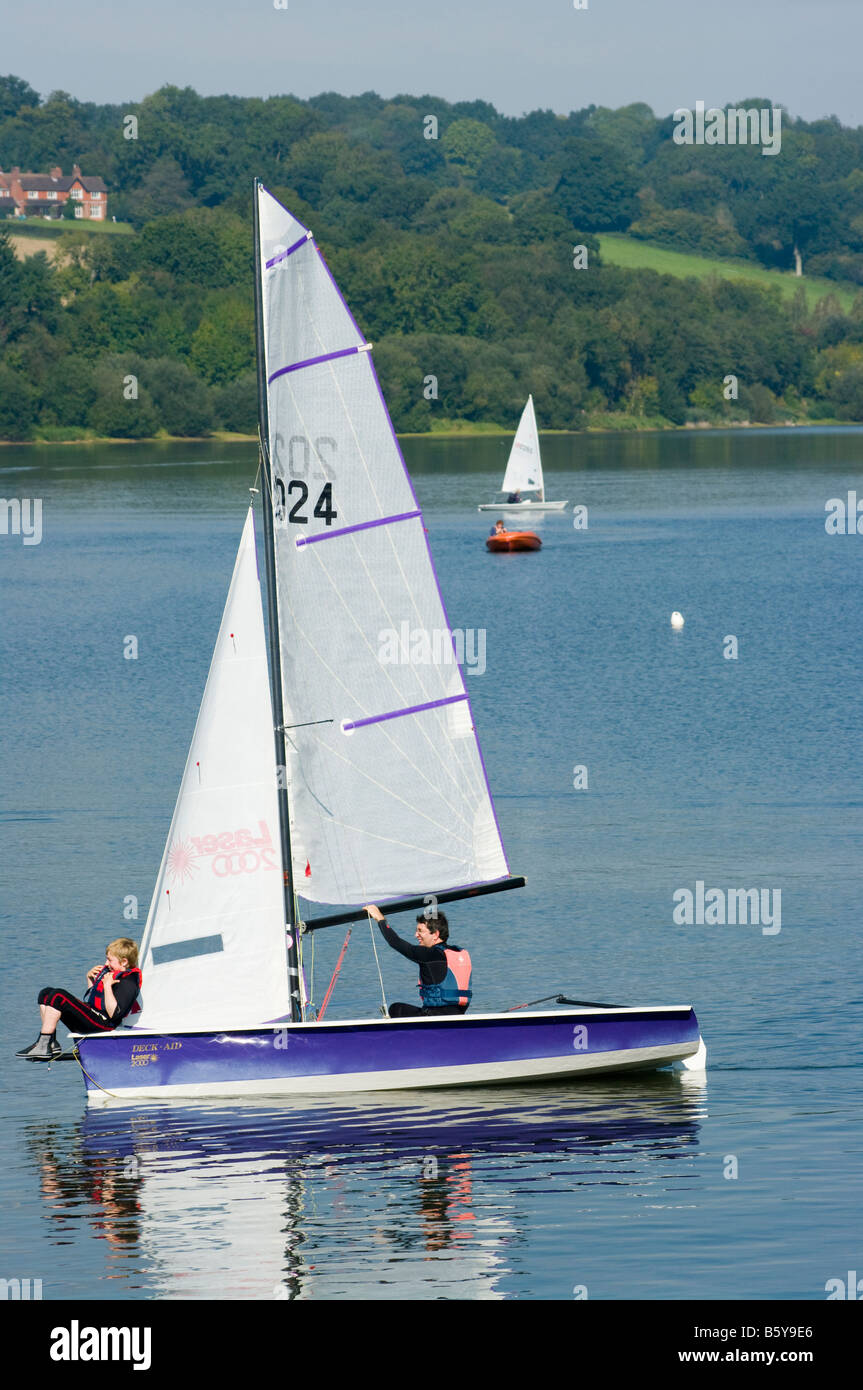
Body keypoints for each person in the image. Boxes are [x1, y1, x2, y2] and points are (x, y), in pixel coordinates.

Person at [16, 938, 142, 1060]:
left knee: (58, 996)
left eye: (110, 960)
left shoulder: (128, 983)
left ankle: (43, 1043)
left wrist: (107, 986)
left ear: (124, 962)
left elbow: (114, 1014)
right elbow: (94, 1001)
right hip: (94, 1016)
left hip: (104, 1024)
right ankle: (51, 1043)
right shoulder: (111, 974)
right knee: (46, 993)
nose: (106, 964)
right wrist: (90, 979)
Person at [364, 905, 472, 1017]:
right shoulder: (458, 953)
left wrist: (380, 919)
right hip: (459, 1014)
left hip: (434, 1016)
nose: (416, 935)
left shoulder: (430, 954)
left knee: (396, 1008)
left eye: (420, 931)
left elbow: (395, 942)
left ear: (435, 934)